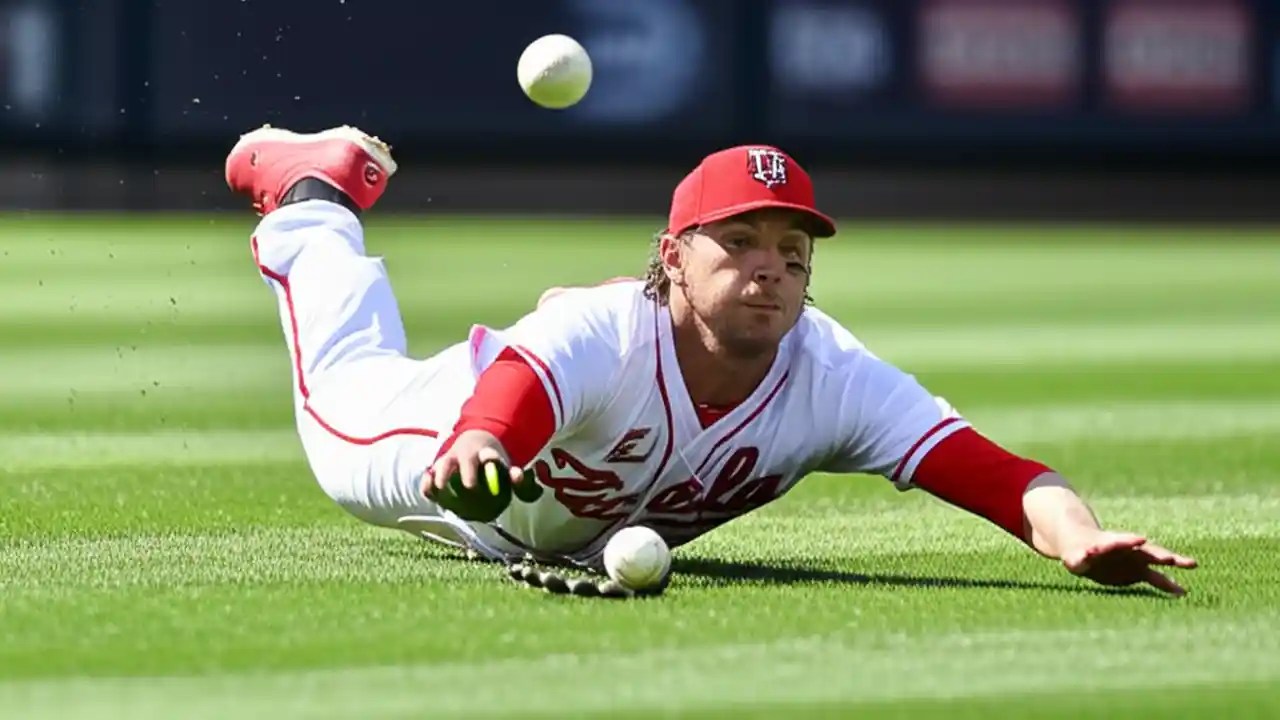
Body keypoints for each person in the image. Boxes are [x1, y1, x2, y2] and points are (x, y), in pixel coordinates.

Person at [225, 125, 1198, 596]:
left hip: (546, 509)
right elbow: (516, 393)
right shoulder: (609, 330)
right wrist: (479, 444)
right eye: (737, 243)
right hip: (446, 432)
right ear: (670, 256)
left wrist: (1072, 536)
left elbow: (996, 474)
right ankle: (315, 195)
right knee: (338, 402)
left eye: (791, 252)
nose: (768, 269)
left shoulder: (828, 376)